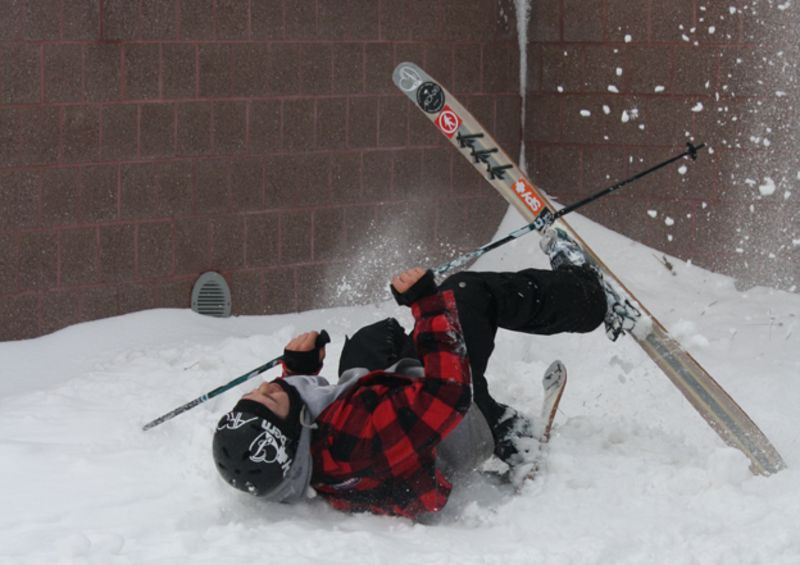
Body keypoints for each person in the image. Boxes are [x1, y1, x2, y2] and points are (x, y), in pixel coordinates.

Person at [211, 228, 608, 519]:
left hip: (406, 416)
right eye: (268, 398)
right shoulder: (362, 434)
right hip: (458, 420)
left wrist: (297, 372)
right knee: (464, 293)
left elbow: (303, 419)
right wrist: (429, 306)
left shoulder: (303, 458)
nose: (266, 386)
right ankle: (589, 298)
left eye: (256, 394)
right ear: (289, 432)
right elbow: (448, 394)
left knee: (369, 341)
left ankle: (496, 418)